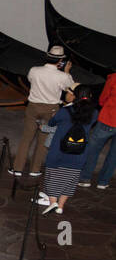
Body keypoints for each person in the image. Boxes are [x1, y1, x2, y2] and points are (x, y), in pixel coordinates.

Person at [12, 44, 75, 177]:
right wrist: (67, 72)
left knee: (26, 138)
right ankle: (35, 170)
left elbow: (30, 80)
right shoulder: (62, 76)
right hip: (51, 109)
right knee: (43, 140)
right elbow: (71, 88)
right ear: (60, 61)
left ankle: (17, 168)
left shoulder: (34, 70)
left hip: (33, 106)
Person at [40, 85, 97, 216]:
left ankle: (52, 202)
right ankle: (60, 206)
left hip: (59, 149)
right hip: (79, 152)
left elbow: (52, 123)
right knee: (70, 179)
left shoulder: (65, 111)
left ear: (74, 96)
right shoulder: (94, 113)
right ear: (91, 97)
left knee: (53, 176)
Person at [78, 71, 116, 189]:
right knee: (114, 155)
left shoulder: (114, 78)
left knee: (93, 150)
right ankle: (103, 182)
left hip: (109, 118)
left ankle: (85, 178)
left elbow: (103, 98)